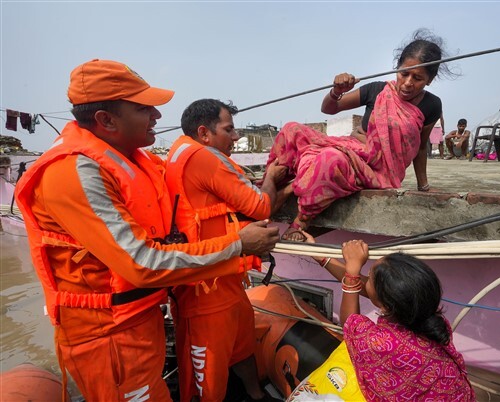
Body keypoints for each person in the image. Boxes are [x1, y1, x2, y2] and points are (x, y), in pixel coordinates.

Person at [14, 59, 279, 402]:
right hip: (108, 338)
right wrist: (238, 245)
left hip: (140, 321)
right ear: (106, 120)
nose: (156, 115)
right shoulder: (73, 173)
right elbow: (142, 263)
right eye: (143, 108)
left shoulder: (135, 159)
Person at [264, 29, 451, 241]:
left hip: (377, 170)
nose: (408, 82)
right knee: (291, 130)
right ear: (397, 69)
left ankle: (301, 222)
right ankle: (272, 190)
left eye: (417, 78)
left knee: (329, 160)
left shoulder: (431, 105)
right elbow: (329, 109)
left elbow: (420, 147)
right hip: (351, 148)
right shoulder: (377, 89)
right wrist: (337, 90)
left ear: (430, 80)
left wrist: (423, 186)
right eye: (404, 73)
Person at [165, 99, 286, 402]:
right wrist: (272, 179)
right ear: (204, 133)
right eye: (228, 129)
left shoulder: (183, 152)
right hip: (204, 285)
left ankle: (256, 395)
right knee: (211, 367)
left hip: (225, 274)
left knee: (243, 341)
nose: (235, 137)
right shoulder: (203, 157)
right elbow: (261, 206)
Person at [304, 232, 475, 401]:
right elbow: (369, 289)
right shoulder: (428, 315)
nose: (365, 279)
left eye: (369, 277)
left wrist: (352, 271)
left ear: (386, 304)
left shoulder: (382, 343)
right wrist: (320, 256)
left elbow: (349, 321)